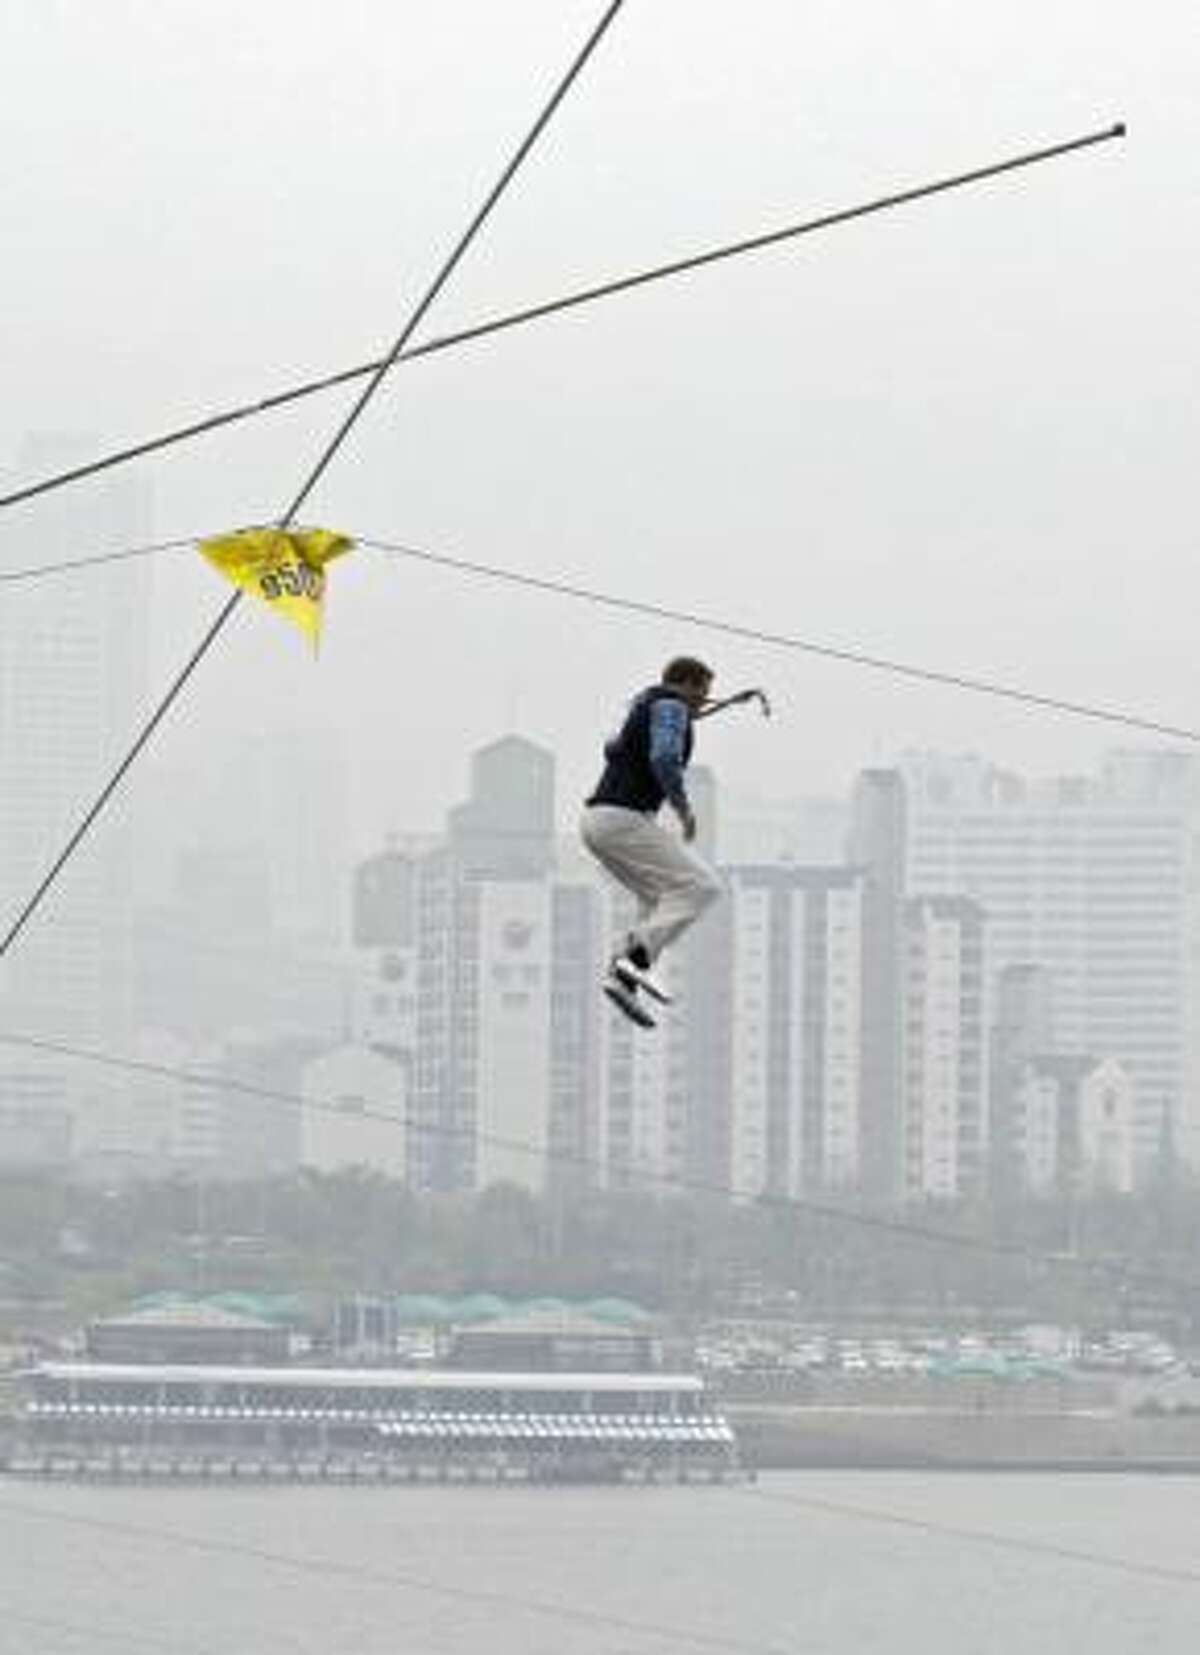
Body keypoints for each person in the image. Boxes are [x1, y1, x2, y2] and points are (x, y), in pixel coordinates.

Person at [581, 656, 724, 1028]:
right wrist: (682, 808)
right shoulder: (672, 707)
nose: (703, 701)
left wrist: (680, 717)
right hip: (622, 818)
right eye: (702, 693)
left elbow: (617, 745)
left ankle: (623, 977)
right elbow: (663, 756)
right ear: (687, 684)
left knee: (661, 898)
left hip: (597, 823)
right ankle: (634, 960)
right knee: (701, 886)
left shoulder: (644, 705)